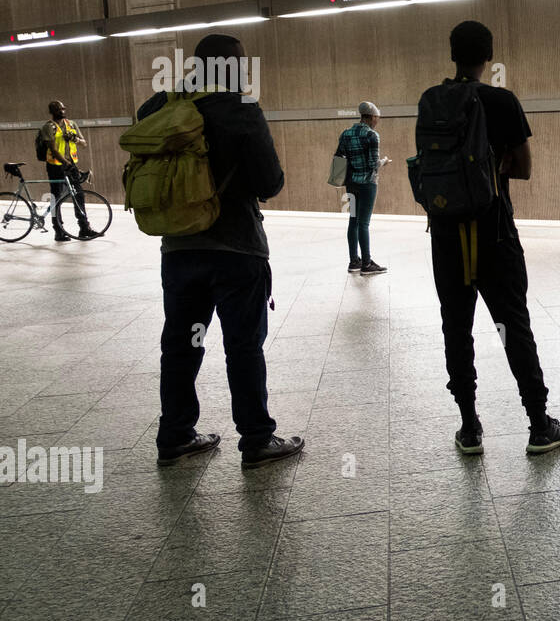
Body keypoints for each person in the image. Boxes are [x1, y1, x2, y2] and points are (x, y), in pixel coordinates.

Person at [136, 33, 304, 468]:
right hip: (235, 249)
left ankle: (175, 435)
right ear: (234, 67)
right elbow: (270, 182)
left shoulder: (158, 107)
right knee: (243, 346)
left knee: (181, 344)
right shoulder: (240, 109)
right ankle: (256, 440)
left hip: (178, 249)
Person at [418, 20, 560, 456]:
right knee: (512, 326)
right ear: (489, 56)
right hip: (494, 233)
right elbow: (524, 168)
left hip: (446, 235)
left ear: (453, 54)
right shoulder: (500, 100)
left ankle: (469, 427)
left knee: (457, 327)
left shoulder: (431, 101)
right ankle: (539, 425)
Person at [336, 102, 390, 275]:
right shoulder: (372, 135)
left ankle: (354, 261)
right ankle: (366, 264)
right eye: (377, 118)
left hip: (351, 183)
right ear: (372, 117)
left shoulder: (346, 133)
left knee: (353, 220)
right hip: (367, 184)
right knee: (364, 223)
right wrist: (384, 162)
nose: (378, 121)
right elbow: (373, 164)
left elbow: (340, 157)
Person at [40, 100, 95, 241]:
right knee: (56, 198)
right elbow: (52, 149)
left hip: (71, 165)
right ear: (52, 111)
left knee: (79, 195)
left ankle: (84, 228)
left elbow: (84, 143)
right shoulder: (48, 127)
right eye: (59, 109)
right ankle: (58, 231)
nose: (62, 111)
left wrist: (74, 138)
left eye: (63, 108)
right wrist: (66, 163)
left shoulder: (71, 124)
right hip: (55, 166)